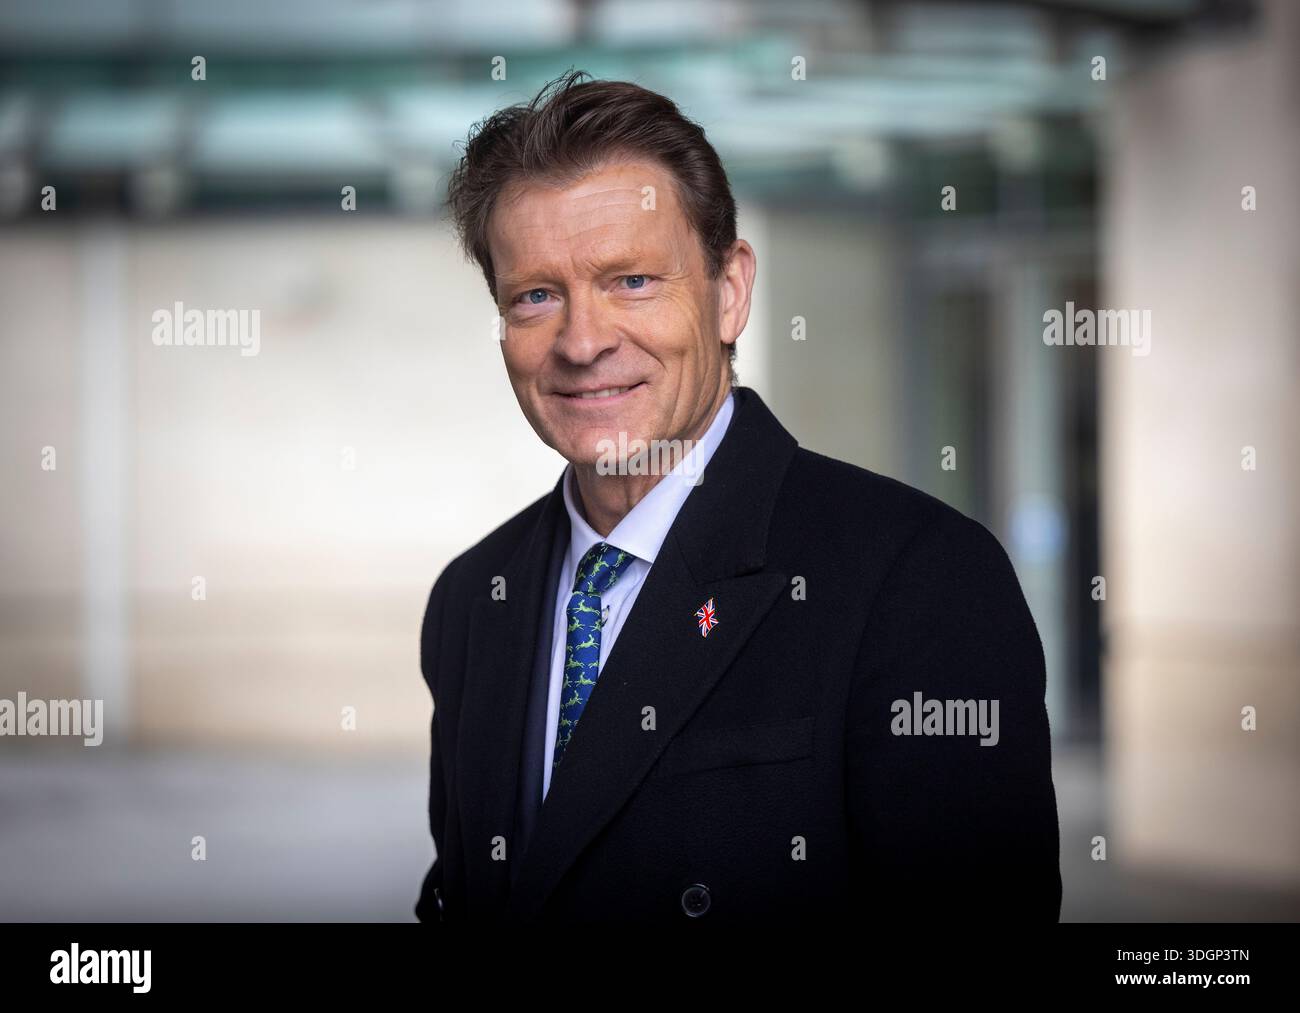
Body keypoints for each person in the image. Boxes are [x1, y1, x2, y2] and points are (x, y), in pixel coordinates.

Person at [415, 69, 1061, 925]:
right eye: (536, 296)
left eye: (632, 281)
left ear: (729, 292)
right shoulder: (472, 600)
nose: (581, 341)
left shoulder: (919, 579)